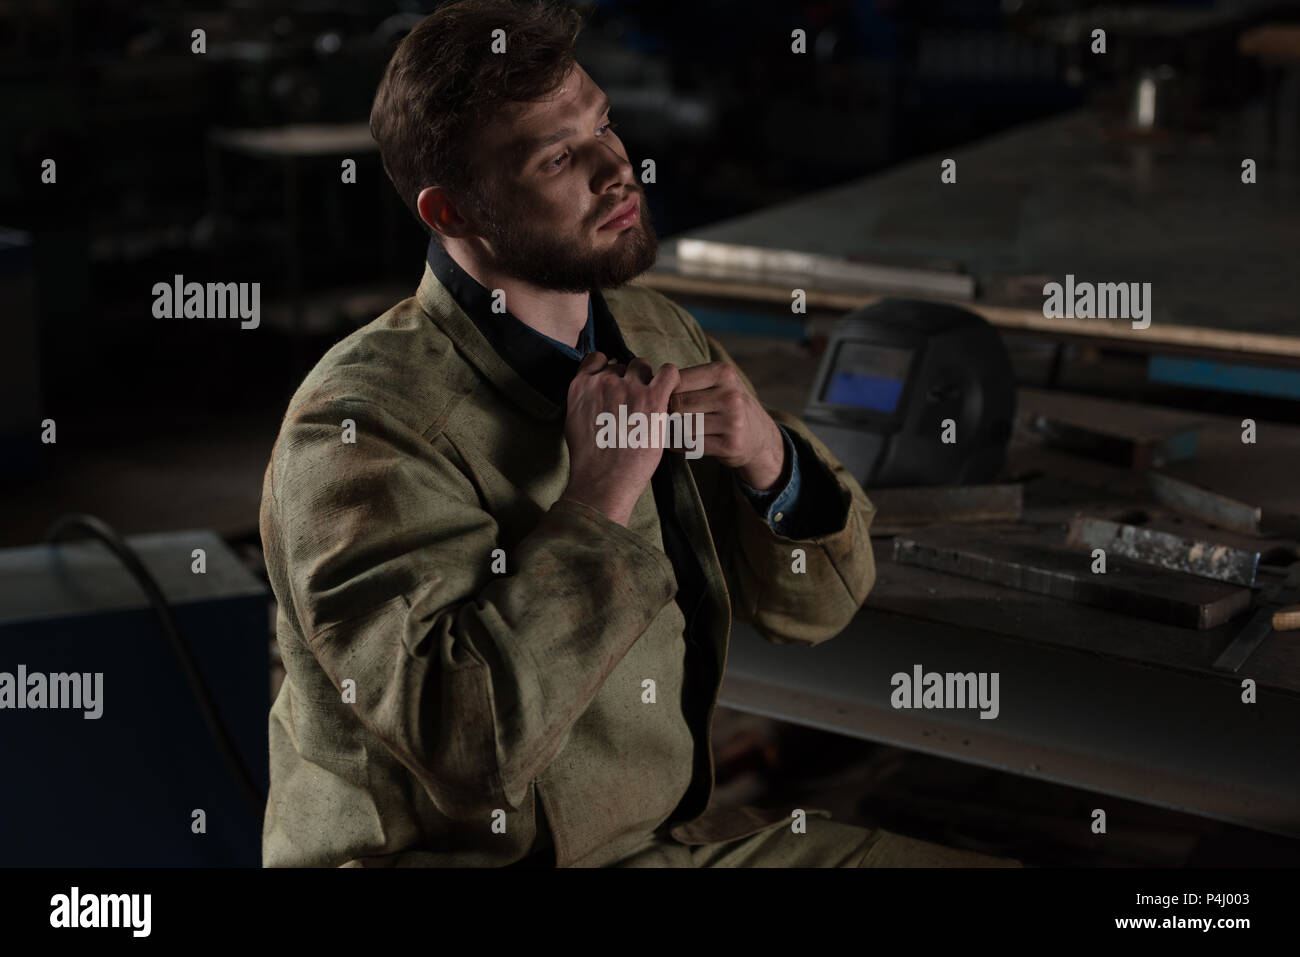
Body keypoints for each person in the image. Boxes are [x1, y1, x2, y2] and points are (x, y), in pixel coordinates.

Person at [258, 0, 1019, 868]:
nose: (616, 168)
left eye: (604, 124)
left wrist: (772, 465)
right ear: (452, 213)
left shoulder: (653, 334)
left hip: (640, 848)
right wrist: (597, 497)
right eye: (558, 155)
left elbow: (818, 610)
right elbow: (463, 749)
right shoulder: (361, 425)